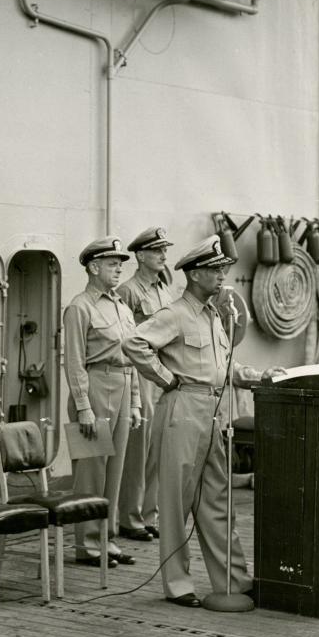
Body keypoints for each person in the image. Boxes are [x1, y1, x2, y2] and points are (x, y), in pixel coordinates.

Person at [123, 235, 285, 608]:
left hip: (213, 414)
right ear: (195, 275)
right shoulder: (175, 314)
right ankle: (178, 585)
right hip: (183, 409)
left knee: (218, 501)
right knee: (176, 502)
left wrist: (259, 375)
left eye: (223, 270)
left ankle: (234, 580)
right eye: (215, 271)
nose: (222, 276)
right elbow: (134, 343)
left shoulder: (215, 316)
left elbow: (223, 367)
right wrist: (165, 379)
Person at [63, 237, 143, 569]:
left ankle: (108, 540)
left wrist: (136, 402)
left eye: (120, 264)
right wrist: (82, 405)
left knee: (115, 471)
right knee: (90, 472)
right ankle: (88, 545)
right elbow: (74, 361)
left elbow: (133, 355)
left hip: (122, 385)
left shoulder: (122, 307)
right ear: (93, 267)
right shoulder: (80, 307)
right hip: (94, 386)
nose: (119, 269)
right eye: (112, 264)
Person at [115, 226, 176, 544]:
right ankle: (130, 516)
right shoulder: (129, 291)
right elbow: (125, 338)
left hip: (163, 370)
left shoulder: (164, 290)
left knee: (157, 447)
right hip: (141, 372)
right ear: (140, 255)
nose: (163, 255)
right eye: (156, 251)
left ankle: (148, 513)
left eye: (164, 250)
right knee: (138, 449)